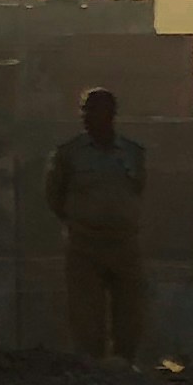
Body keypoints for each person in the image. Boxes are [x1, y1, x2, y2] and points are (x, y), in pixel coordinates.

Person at [45, 86, 150, 361]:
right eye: (85, 110)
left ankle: (124, 365)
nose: (87, 117)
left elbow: (138, 188)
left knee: (130, 312)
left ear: (111, 114)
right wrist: (79, 220)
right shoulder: (69, 154)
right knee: (86, 315)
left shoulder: (132, 153)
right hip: (85, 245)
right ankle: (90, 368)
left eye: (95, 110)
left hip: (124, 244)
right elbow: (54, 195)